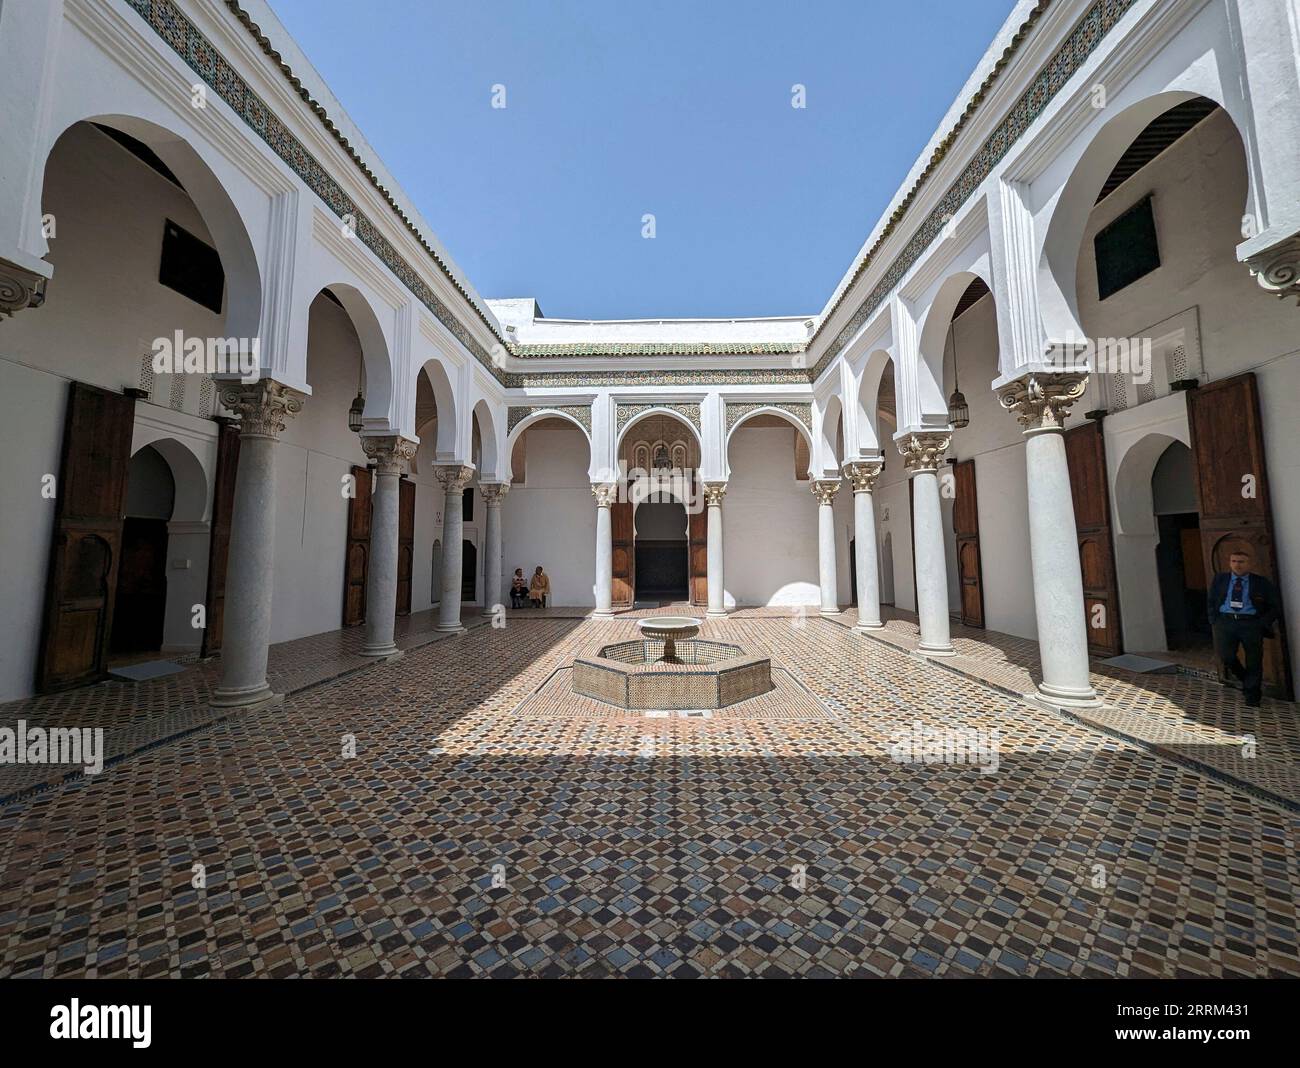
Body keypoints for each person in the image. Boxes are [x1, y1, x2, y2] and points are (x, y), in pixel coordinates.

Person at [1207, 548, 1280, 707]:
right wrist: (1214, 619)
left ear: (1250, 563)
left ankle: (1252, 696)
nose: (1237, 565)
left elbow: (1274, 605)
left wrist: (1262, 622)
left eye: (1241, 562)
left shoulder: (1261, 582)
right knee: (1226, 656)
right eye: (1234, 561)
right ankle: (1247, 680)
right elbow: (1212, 599)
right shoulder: (1220, 579)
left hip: (1250, 624)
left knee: (1254, 659)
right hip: (1226, 622)